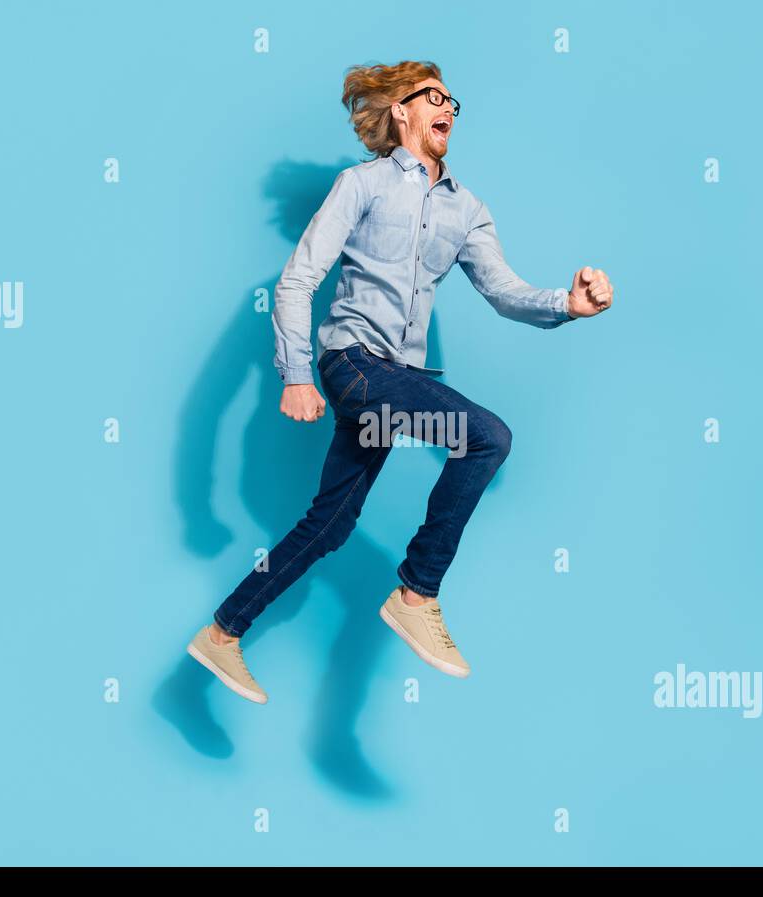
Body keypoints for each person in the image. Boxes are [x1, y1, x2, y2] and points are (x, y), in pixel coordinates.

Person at [189, 60, 614, 704]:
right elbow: (299, 280)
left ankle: (221, 634)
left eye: (453, 101)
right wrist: (297, 375)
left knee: (330, 525)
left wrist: (567, 305)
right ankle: (418, 592)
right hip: (354, 366)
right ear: (403, 112)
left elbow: (503, 292)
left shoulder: (467, 209)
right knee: (487, 437)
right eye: (433, 97)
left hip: (395, 382)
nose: (448, 108)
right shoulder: (361, 186)